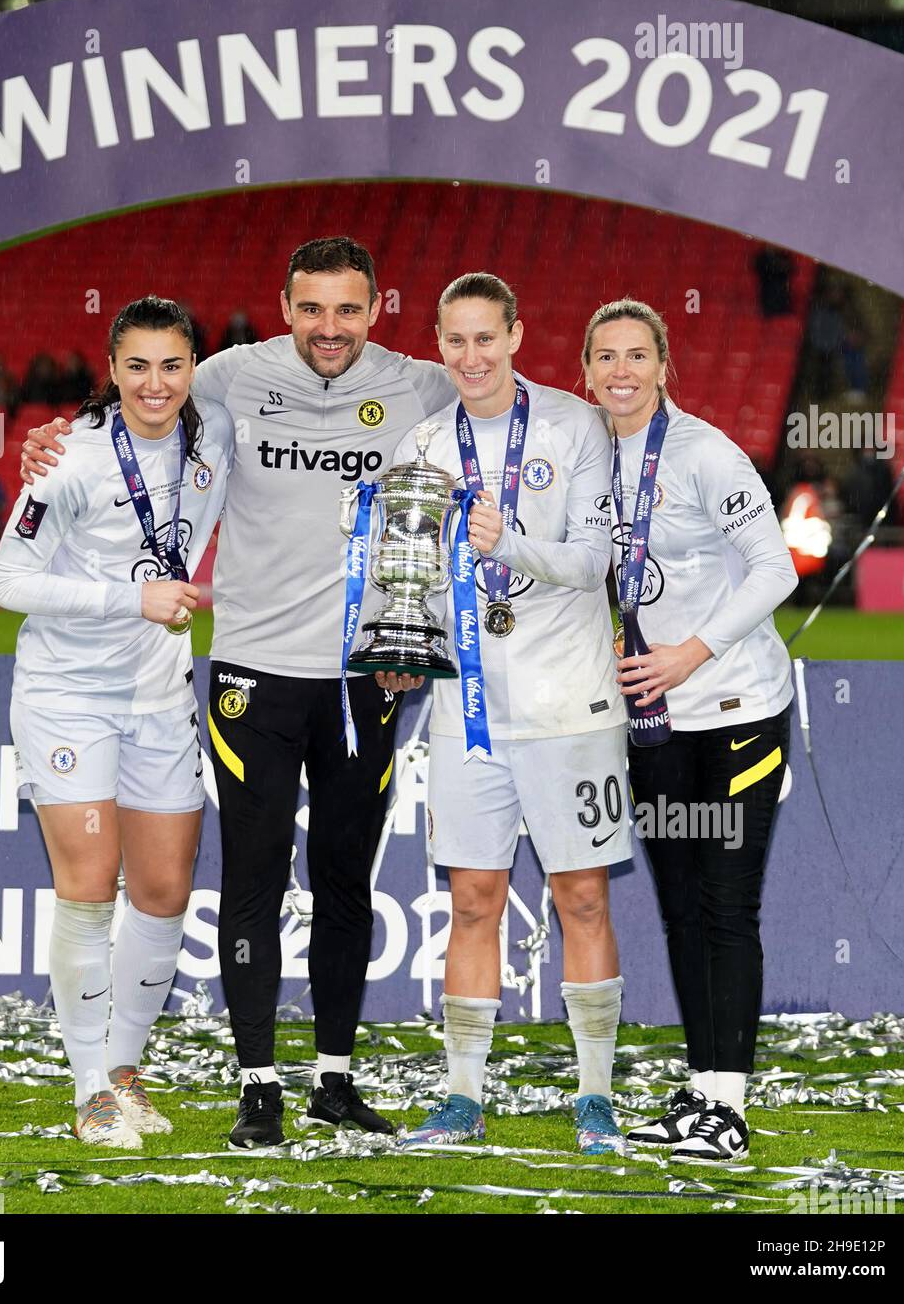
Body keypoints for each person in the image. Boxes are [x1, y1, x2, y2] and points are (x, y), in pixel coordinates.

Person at [19, 238, 454, 1149]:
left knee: (340, 883)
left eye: (347, 310)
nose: (328, 328)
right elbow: (135, 412)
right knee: (243, 882)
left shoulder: (420, 383)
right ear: (284, 305)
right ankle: (248, 1086)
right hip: (248, 672)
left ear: (377, 308)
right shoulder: (225, 381)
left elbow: (507, 412)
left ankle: (333, 1079)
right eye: (310, 308)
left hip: (360, 674)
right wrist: (42, 442)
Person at [386, 274, 631, 1154]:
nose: (472, 358)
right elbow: (407, 578)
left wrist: (508, 542)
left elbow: (595, 558)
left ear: (517, 335)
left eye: (486, 339)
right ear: (439, 343)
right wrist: (400, 653)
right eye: (455, 341)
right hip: (467, 708)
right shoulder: (421, 445)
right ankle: (461, 1095)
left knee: (582, 899)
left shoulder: (573, 426)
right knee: (475, 897)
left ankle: (595, 1096)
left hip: (570, 700)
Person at [0, 296, 234, 1147]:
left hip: (161, 693)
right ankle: (89, 1089)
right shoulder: (69, 458)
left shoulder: (218, 442)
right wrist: (131, 598)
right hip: (67, 693)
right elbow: (8, 582)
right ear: (112, 368)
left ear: (194, 368)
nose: (155, 383)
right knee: (90, 884)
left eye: (172, 364)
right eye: (137, 365)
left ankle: (125, 1073)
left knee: (165, 891)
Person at [583, 298, 798, 1162]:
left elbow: (776, 568)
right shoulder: (592, 457)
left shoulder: (706, 453)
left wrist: (690, 654)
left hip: (738, 712)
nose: (622, 372)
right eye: (606, 357)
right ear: (587, 371)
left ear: (664, 365)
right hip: (656, 721)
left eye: (638, 355)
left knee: (725, 905)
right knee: (677, 908)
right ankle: (701, 1090)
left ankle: (731, 1108)